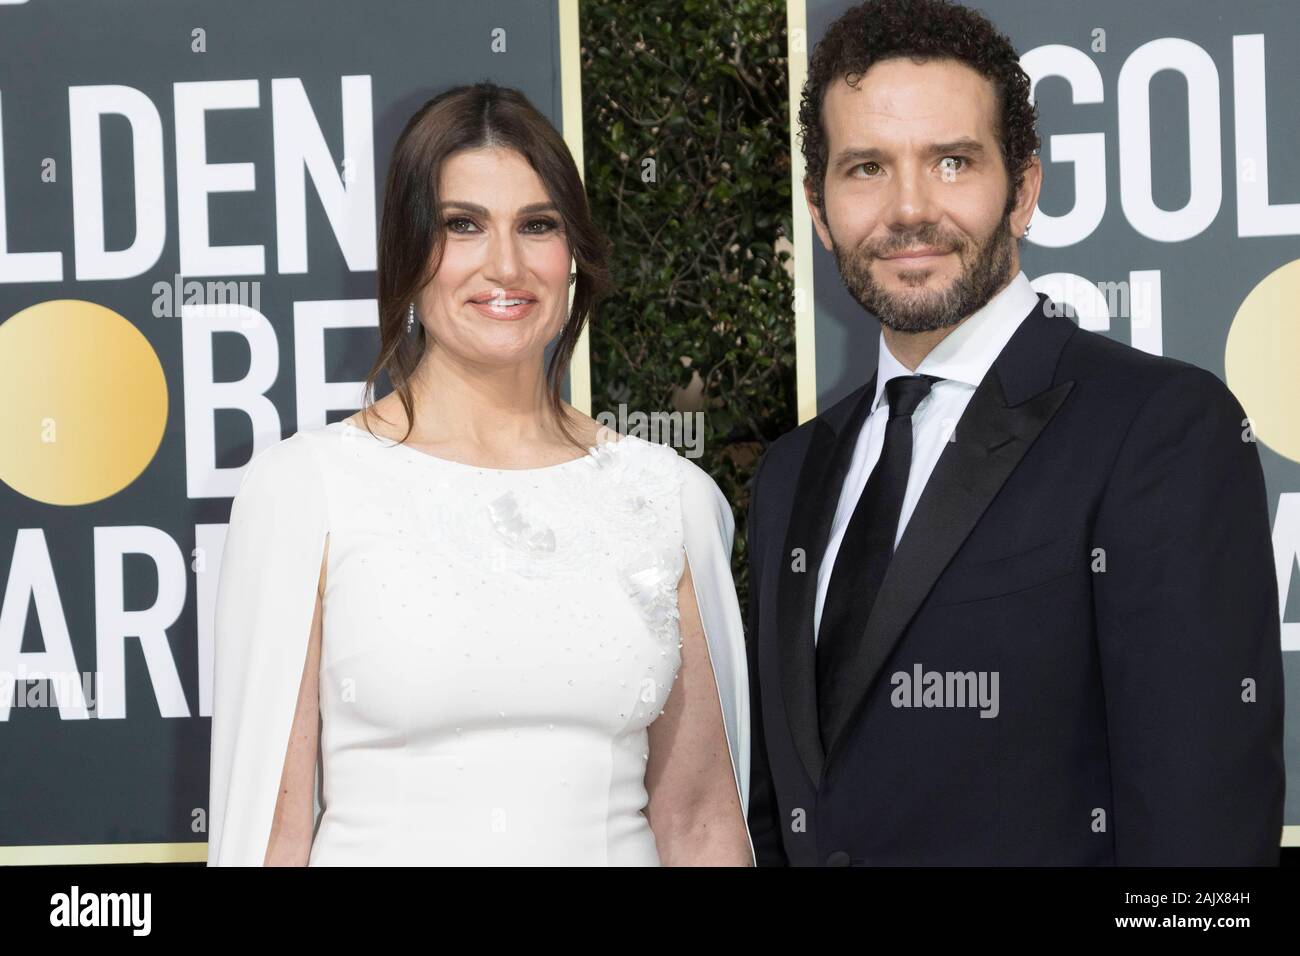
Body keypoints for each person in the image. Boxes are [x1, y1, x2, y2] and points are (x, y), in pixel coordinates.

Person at [745, 0, 1284, 865]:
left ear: (1023, 190)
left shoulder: (1158, 431)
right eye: (867, 169)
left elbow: (1203, 840)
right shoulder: (790, 474)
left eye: (952, 162)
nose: (909, 209)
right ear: (818, 207)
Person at [207, 81, 754, 866]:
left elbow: (701, 826)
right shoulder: (304, 492)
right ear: (408, 251)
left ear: (574, 255)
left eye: (538, 226)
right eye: (463, 226)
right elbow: (269, 835)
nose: (506, 265)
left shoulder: (667, 498)